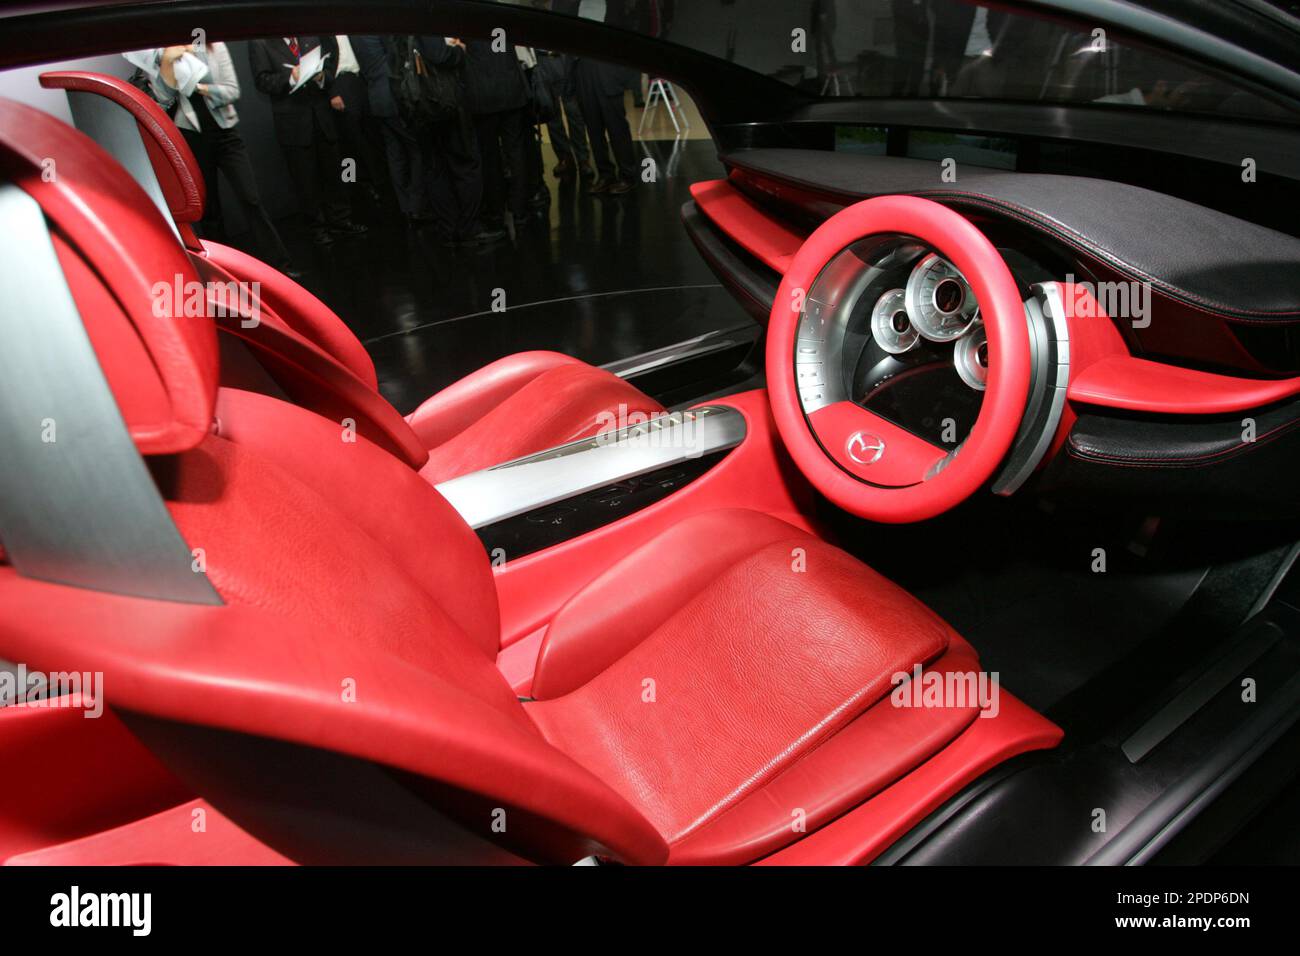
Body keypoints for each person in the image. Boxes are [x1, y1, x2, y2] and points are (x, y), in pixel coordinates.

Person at [133, 43, 296, 275]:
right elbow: (162, 102)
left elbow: (231, 91)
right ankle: (223, 276)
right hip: (191, 139)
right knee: (210, 212)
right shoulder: (159, 55)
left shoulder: (214, 47)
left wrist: (196, 86)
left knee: (251, 200)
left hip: (226, 134)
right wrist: (169, 63)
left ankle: (282, 266)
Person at [248, 35, 367, 245]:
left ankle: (341, 221)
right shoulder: (260, 42)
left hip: (322, 115)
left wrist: (321, 77)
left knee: (334, 172)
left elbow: (330, 67)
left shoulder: (309, 35)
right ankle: (317, 228)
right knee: (305, 180)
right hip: (292, 121)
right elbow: (262, 81)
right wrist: (291, 78)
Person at [462, 37, 531, 232]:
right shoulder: (499, 19)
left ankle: (496, 209)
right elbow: (500, 50)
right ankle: (519, 209)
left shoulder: (466, 20)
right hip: (511, 90)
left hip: (484, 96)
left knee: (490, 156)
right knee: (516, 152)